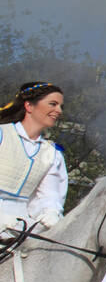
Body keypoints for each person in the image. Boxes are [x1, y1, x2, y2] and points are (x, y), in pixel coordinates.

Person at [0, 81, 68, 241]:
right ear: (29, 106)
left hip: (19, 227)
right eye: (53, 104)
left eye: (60, 107)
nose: (58, 111)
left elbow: (49, 195)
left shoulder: (52, 153)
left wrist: (51, 213)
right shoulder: (2, 135)